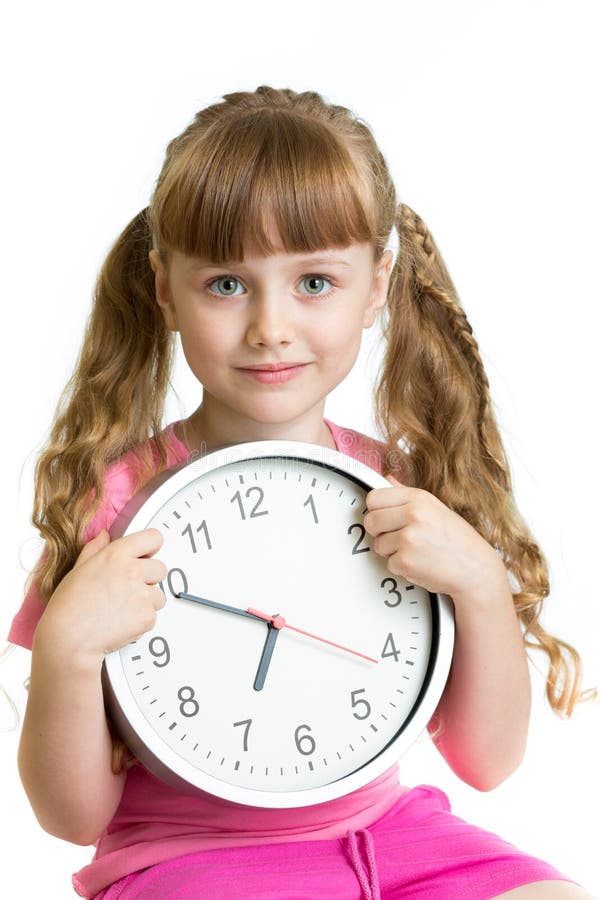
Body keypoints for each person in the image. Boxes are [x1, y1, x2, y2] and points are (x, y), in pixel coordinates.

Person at [8, 85, 596, 899]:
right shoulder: (117, 504)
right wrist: (68, 649)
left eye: (314, 282)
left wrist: (480, 583)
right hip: (192, 861)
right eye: (226, 284)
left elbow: (487, 763)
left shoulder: (402, 491)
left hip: (397, 837)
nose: (271, 327)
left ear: (378, 282)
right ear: (163, 288)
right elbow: (72, 816)